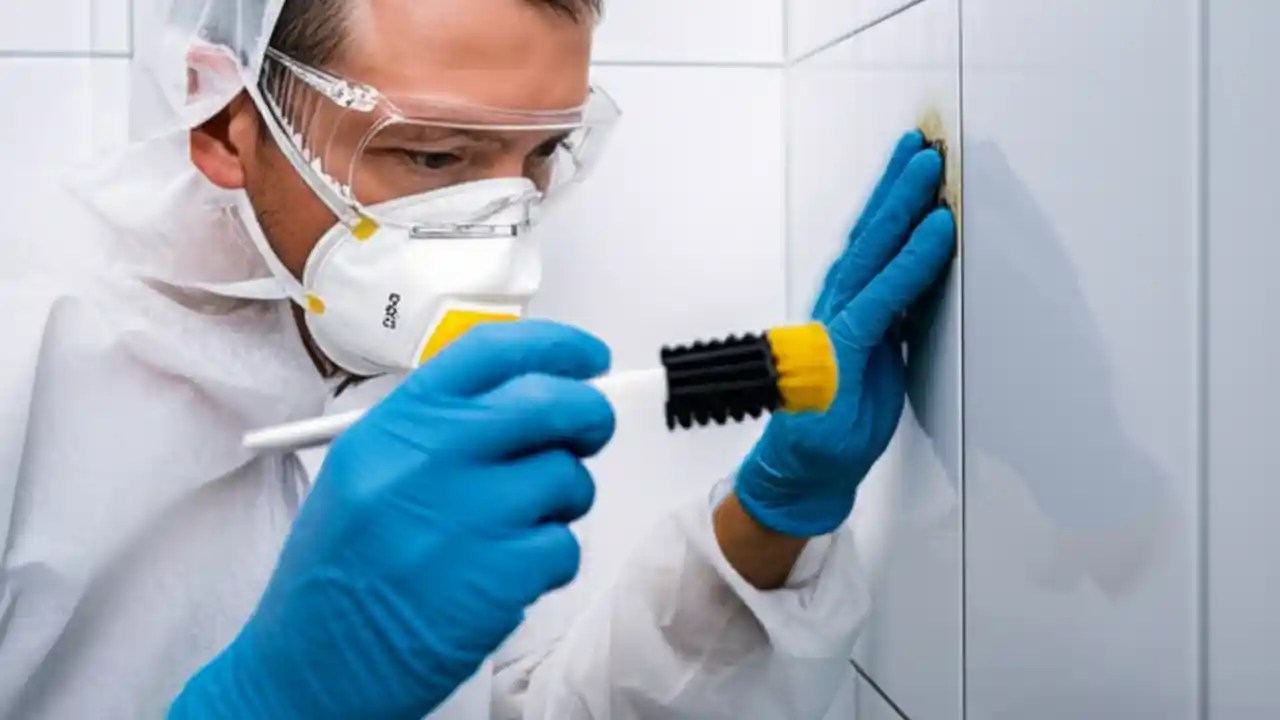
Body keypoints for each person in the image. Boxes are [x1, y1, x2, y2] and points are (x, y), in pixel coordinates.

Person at [0, 0, 956, 718]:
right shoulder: (29, 378)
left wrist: (773, 518)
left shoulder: (395, 382)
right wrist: (266, 701)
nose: (500, 235)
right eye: (431, 158)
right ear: (223, 124)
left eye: (540, 156)